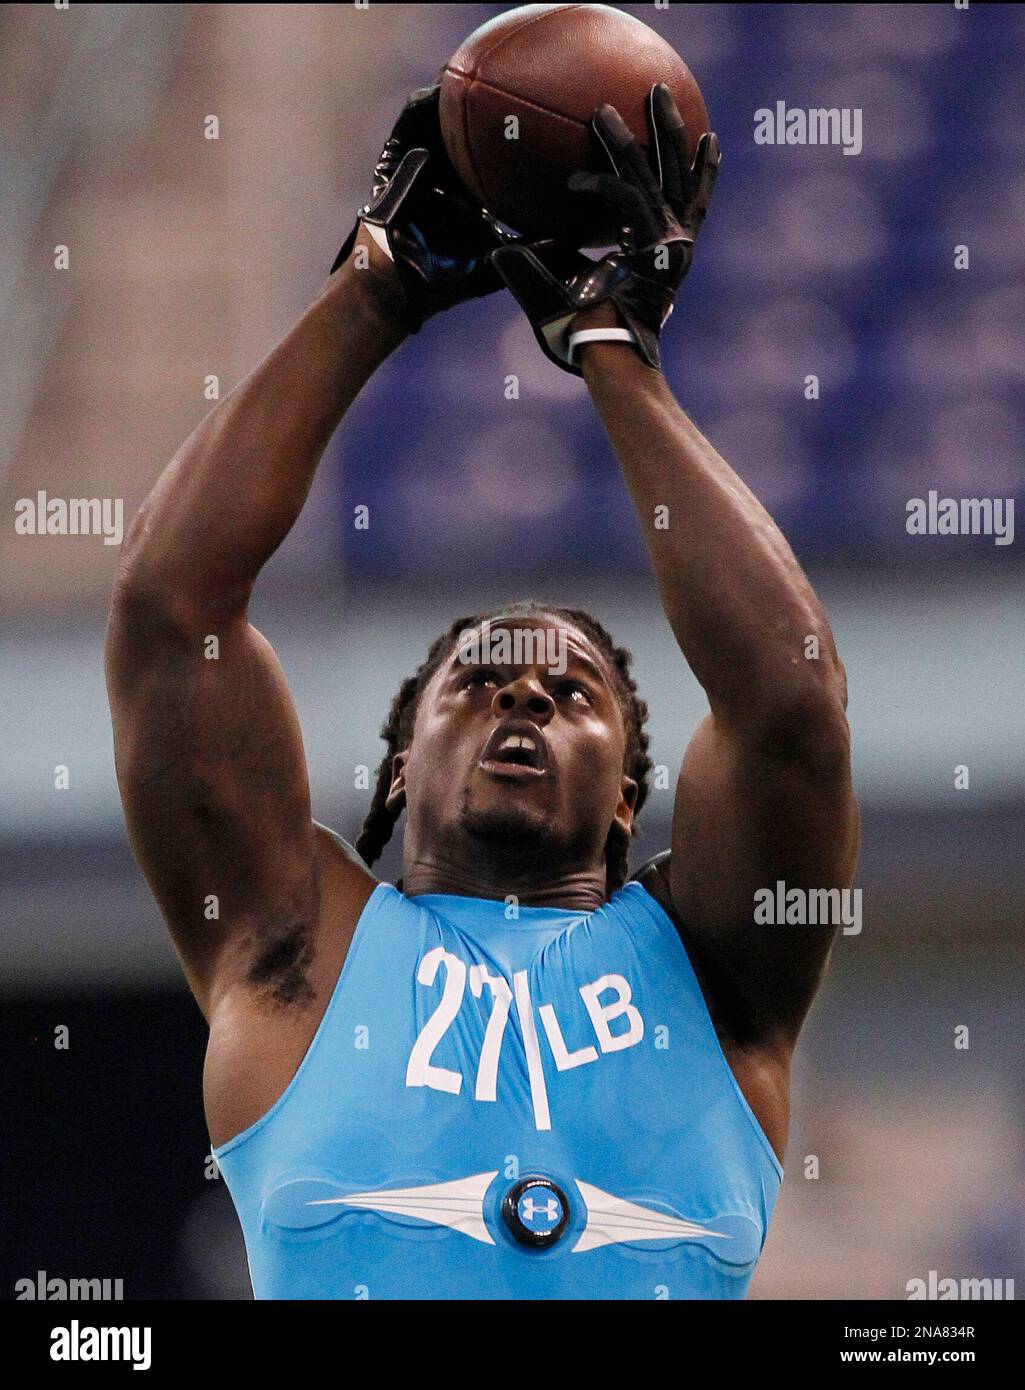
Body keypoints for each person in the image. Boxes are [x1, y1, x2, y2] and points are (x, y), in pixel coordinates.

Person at [104, 84, 858, 1299]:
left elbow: (791, 701)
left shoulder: (718, 976)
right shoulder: (293, 941)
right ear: (400, 765)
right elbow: (168, 607)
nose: (523, 700)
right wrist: (376, 285)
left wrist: (616, 356)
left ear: (626, 800)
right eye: (479, 684)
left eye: (572, 694)